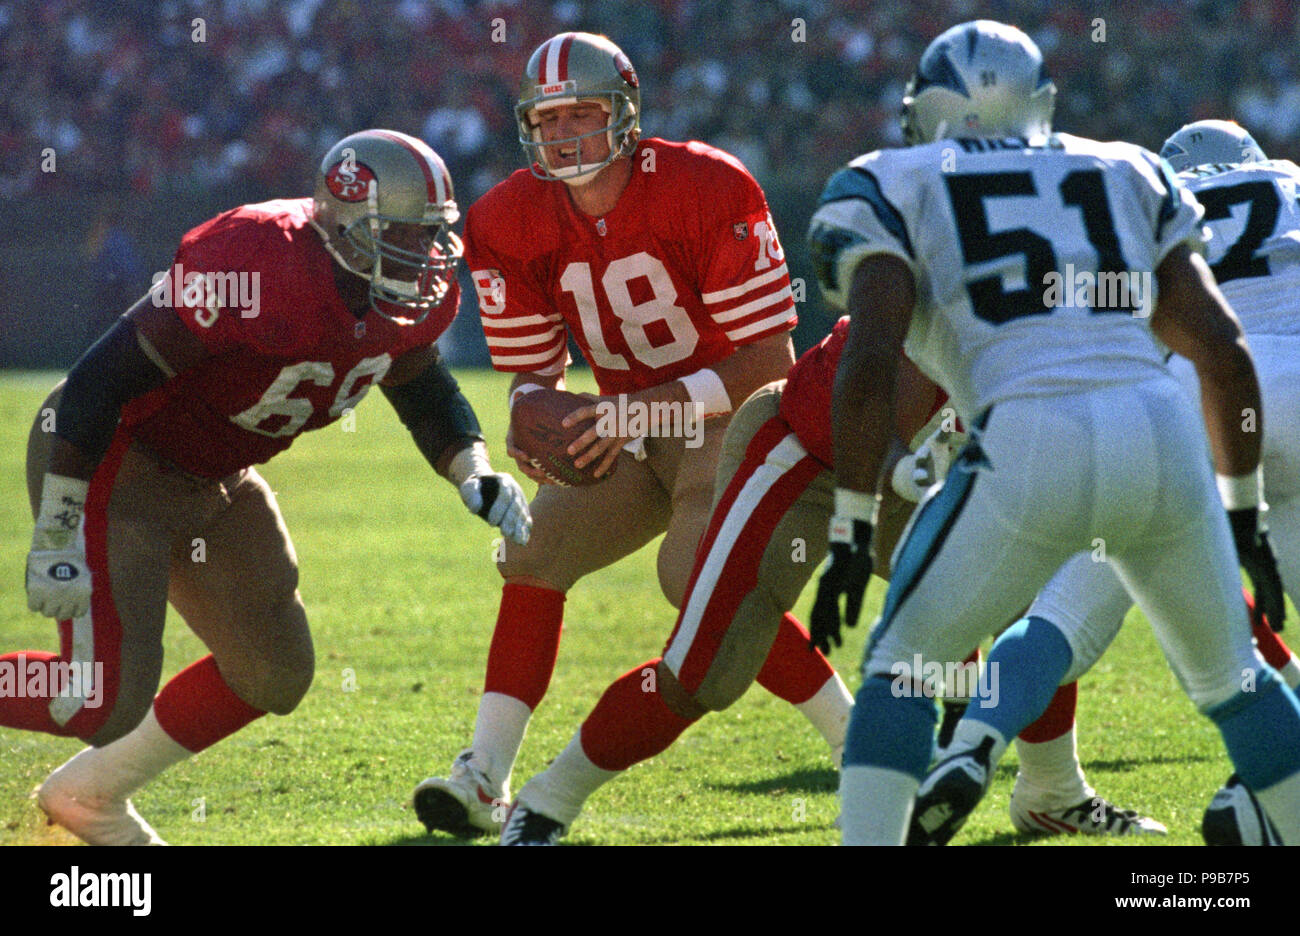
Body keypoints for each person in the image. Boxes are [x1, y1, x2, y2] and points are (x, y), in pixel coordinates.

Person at [808, 20, 1300, 846]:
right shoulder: (1125, 167)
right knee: (1237, 683)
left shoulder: (884, 181)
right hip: (1162, 431)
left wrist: (853, 526)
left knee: (900, 674)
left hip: (1029, 437)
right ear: (1039, 105)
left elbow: (868, 360)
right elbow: (1223, 348)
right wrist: (1243, 509)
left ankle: (967, 755)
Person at [9, 128, 530, 845]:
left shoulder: (398, 298)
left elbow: (419, 383)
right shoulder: (256, 260)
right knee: (98, 698)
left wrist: (471, 469)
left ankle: (90, 796)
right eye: (402, 232)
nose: (425, 251)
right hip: (115, 461)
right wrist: (59, 523)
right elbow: (100, 382)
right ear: (347, 226)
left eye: (430, 231)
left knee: (273, 671)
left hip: (217, 475)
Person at [413, 31, 852, 836]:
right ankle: (486, 778)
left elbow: (766, 364)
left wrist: (630, 413)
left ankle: (851, 737)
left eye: (581, 114)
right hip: (627, 420)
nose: (563, 135)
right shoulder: (506, 217)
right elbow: (533, 376)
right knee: (532, 551)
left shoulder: (707, 185)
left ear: (624, 114)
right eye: (545, 121)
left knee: (692, 577)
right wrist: (527, 417)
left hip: (729, 416)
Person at [918, 119, 1300, 845]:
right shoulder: (1288, 185)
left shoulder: (1137, 196)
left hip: (1183, 404)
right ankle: (1261, 799)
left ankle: (975, 740)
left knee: (1065, 613)